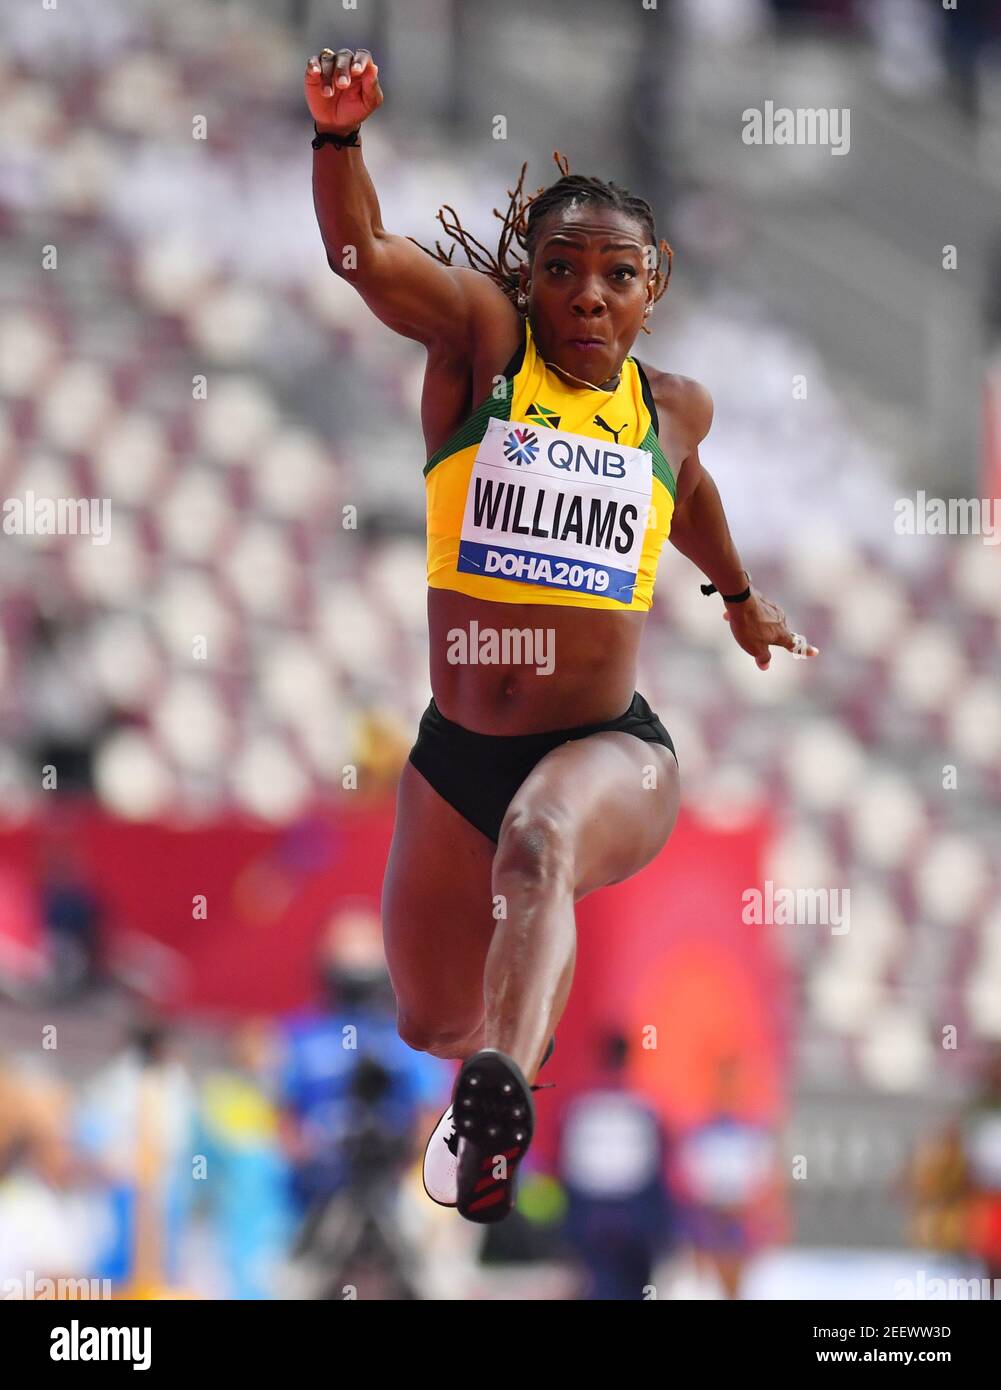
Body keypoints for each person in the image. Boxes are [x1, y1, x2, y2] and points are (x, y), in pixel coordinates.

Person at [304, 46, 818, 1224]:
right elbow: (362, 258)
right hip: (455, 751)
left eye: (615, 275)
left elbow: (684, 492)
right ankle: (483, 1058)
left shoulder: (670, 407)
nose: (587, 294)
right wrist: (338, 141)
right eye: (562, 269)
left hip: (610, 753)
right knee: (430, 1015)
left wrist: (737, 598)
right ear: (527, 279)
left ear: (654, 284)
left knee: (538, 841)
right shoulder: (483, 346)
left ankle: (501, 1086)